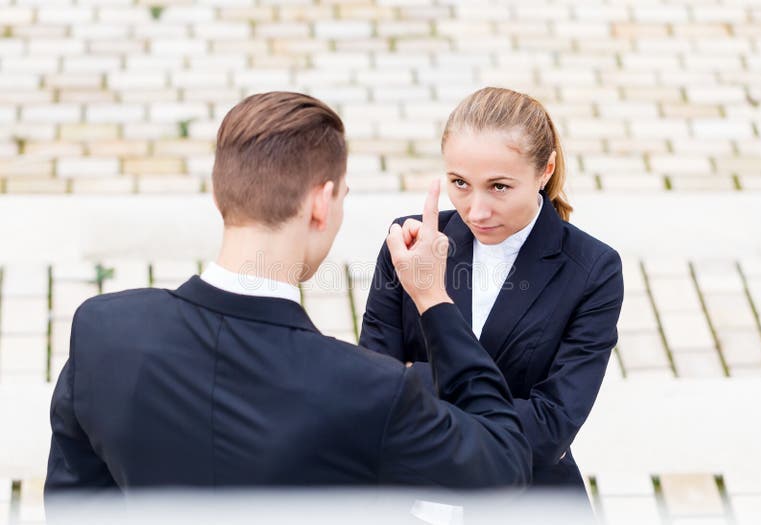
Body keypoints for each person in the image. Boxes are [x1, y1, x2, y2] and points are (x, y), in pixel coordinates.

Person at [44, 92, 532, 499]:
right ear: (321, 204)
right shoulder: (372, 391)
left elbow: (76, 500)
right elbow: (503, 461)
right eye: (341, 196)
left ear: (220, 194)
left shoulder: (103, 330)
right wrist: (432, 299)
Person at [360, 87, 624, 494]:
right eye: (460, 183)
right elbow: (373, 397)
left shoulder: (592, 271)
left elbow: (551, 427)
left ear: (545, 170)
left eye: (499, 187)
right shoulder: (409, 243)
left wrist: (416, 380)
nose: (476, 211)